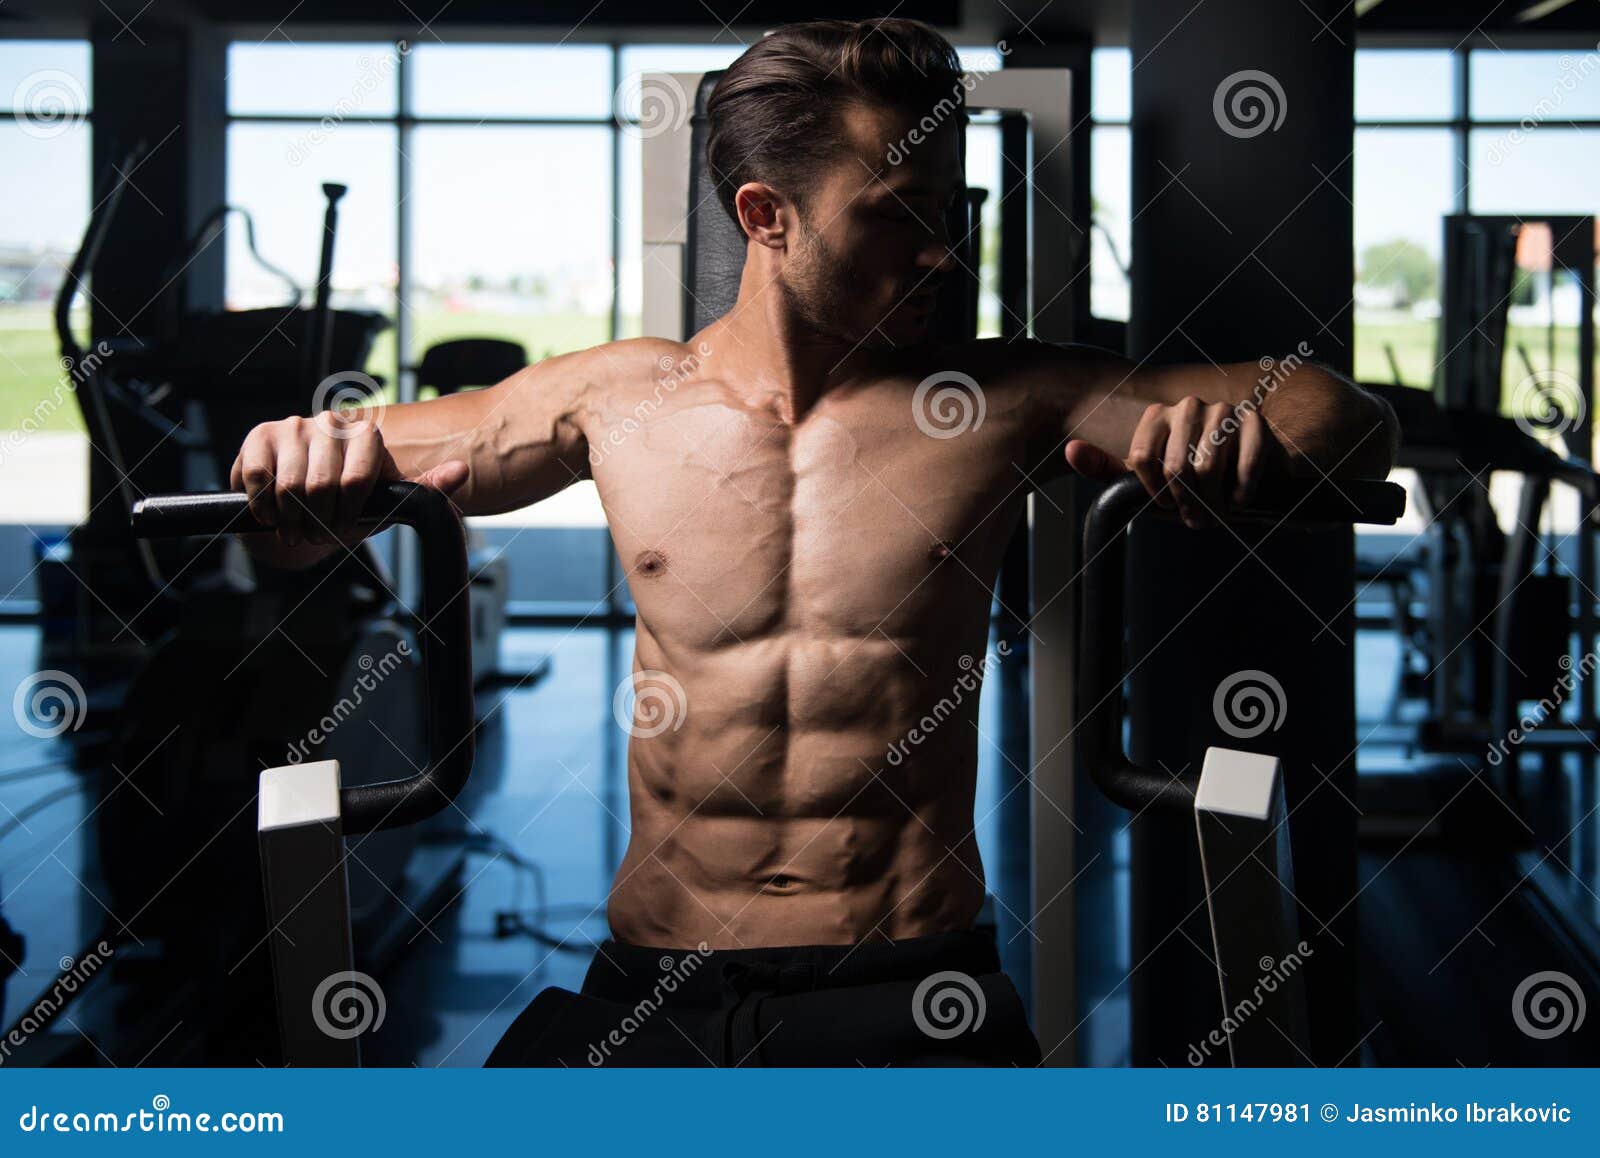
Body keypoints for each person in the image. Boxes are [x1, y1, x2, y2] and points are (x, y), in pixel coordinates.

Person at [230, 18, 1398, 1066]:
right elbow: (304, 509)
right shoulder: (617, 400)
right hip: (658, 986)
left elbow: (1337, 418)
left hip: (911, 980)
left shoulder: (1002, 398)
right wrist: (290, 462)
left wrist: (1230, 440)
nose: (939, 252)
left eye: (947, 212)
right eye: (897, 215)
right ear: (765, 217)